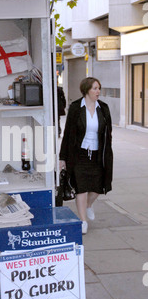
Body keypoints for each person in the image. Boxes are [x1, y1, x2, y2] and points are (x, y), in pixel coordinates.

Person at [59, 77, 113, 234]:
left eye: (99, 88)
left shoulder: (103, 108)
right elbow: (68, 133)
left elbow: (108, 133)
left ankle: (89, 205)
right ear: (87, 90)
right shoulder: (76, 108)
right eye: (95, 88)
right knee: (81, 188)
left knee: (97, 188)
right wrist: (63, 157)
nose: (98, 92)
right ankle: (83, 220)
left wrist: (108, 153)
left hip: (98, 154)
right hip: (79, 154)